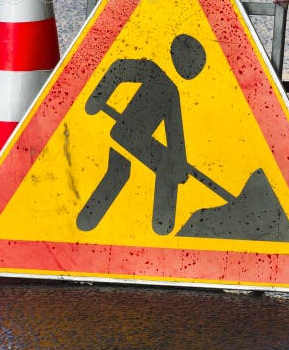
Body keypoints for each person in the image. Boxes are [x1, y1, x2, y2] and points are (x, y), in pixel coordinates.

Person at [76, 34, 206, 235]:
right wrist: (96, 99)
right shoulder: (154, 73)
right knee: (161, 168)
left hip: (133, 137)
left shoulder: (171, 90)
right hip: (128, 133)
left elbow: (175, 133)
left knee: (120, 172)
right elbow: (118, 69)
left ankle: (87, 220)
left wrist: (180, 163)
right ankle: (162, 220)